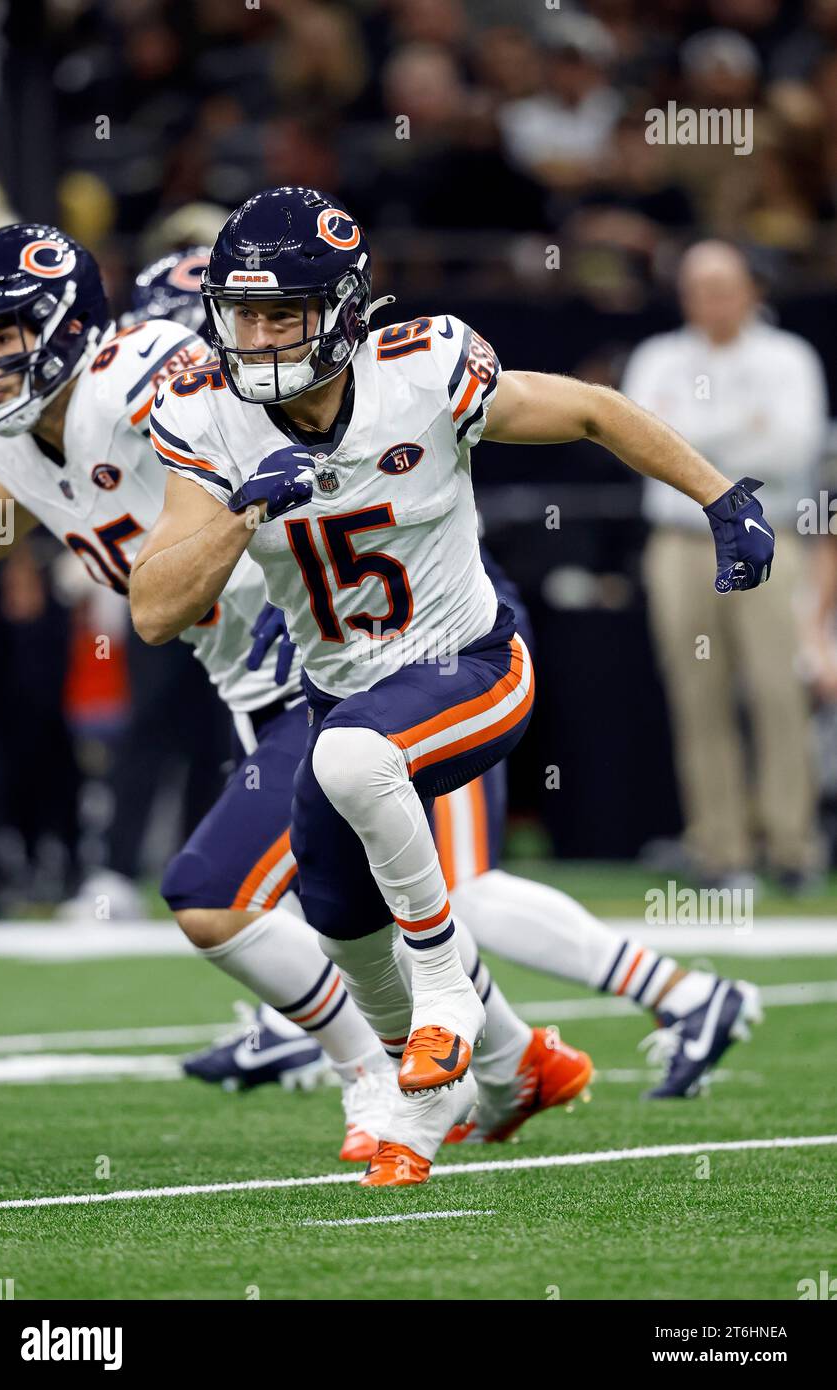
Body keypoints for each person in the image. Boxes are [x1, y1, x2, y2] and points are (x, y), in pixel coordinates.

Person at [131, 187, 773, 1186]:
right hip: (338, 692)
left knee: (355, 763)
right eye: (241, 314)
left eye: (281, 315)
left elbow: (594, 411)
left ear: (342, 310)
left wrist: (719, 496)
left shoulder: (422, 370)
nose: (254, 340)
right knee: (340, 919)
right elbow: (154, 609)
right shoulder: (203, 411)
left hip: (471, 665)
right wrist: (236, 516)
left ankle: (449, 996)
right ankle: (462, 1092)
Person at [0, 221, 406, 1155]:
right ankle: (511, 1065)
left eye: (2, 336)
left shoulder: (138, 372)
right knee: (360, 916)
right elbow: (1, 521)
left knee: (229, 897)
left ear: (68, 324)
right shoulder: (15, 443)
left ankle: (378, 1071)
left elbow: (241, 396)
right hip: (251, 683)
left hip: (324, 661)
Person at [623, 239, 826, 891]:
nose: (708, 301)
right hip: (680, 541)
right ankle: (721, 849)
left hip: (763, 534)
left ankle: (793, 847)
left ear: (752, 289)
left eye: (721, 287)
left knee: (778, 690)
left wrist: (687, 435)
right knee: (696, 696)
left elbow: (793, 448)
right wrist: (744, 428)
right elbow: (637, 444)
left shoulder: (789, 357)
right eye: (696, 288)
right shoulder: (658, 357)